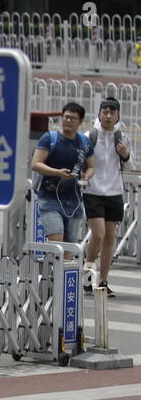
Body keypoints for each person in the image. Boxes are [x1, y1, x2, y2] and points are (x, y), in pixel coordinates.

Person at [83, 97, 131, 296]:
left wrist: (125, 154)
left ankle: (102, 280)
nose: (109, 116)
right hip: (93, 191)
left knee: (110, 236)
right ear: (99, 113)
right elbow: (81, 161)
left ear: (118, 115)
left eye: (112, 112)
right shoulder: (89, 136)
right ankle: (87, 273)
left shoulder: (121, 138)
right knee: (99, 233)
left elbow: (130, 167)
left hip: (114, 192)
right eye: (105, 112)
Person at [32, 101, 95, 245]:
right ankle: (53, 267)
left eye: (72, 118)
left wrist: (87, 175)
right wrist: (57, 173)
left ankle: (61, 268)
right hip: (49, 197)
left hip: (74, 200)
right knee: (57, 240)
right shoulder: (49, 138)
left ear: (80, 121)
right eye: (66, 117)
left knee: (70, 246)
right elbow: (35, 164)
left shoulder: (84, 142)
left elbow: (91, 166)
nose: (68, 120)